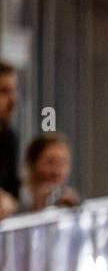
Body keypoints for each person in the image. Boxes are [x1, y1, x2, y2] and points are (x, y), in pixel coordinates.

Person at [21, 133, 80, 212]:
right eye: (50, 162)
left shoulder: (65, 203)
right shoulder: (16, 199)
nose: (57, 172)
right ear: (32, 164)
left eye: (63, 163)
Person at [0, 60, 20, 220]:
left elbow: (14, 194)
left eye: (14, 90)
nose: (13, 100)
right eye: (3, 91)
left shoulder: (8, 138)